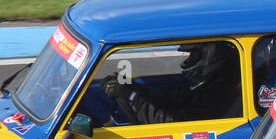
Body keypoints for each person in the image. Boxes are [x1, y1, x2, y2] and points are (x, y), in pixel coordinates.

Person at [102, 41, 242, 125]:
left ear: (210, 55)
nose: (187, 61)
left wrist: (132, 96)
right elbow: (167, 102)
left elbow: (170, 122)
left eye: (193, 55)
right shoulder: (209, 85)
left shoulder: (219, 94)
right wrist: (135, 89)